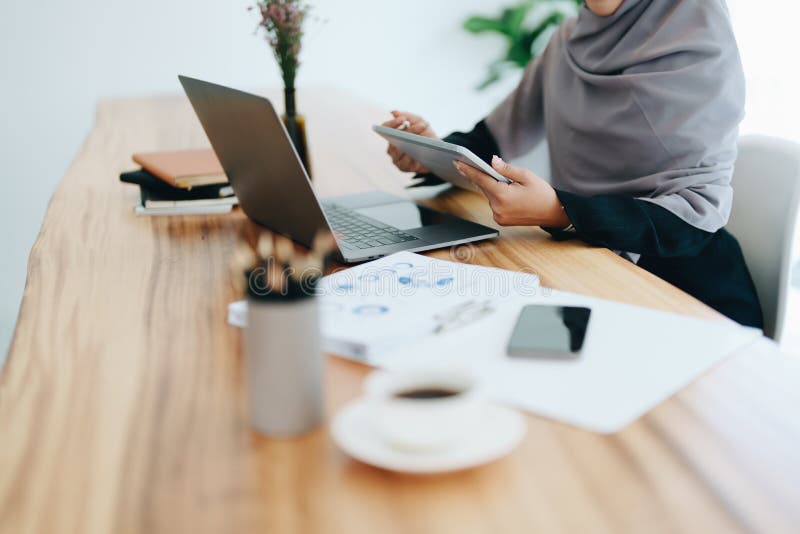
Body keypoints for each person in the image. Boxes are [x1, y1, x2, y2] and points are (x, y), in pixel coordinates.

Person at [383, 0, 763, 328]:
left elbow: (694, 220)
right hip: (585, 269)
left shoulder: (698, 43)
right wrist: (430, 153)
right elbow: (491, 139)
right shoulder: (567, 41)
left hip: (687, 291)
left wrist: (560, 210)